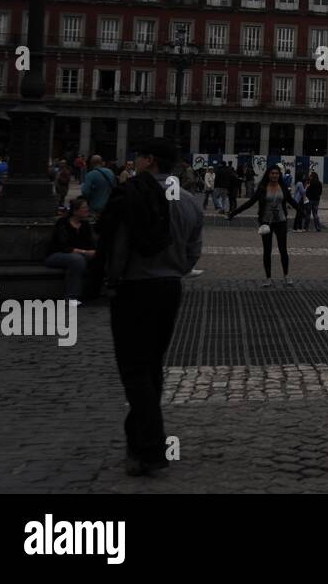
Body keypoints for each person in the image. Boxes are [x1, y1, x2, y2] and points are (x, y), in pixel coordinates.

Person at [97, 136, 202, 477]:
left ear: (151, 161)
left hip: (133, 289)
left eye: (139, 157)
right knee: (151, 366)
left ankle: (153, 447)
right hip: (169, 289)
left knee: (133, 369)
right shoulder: (189, 202)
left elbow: (113, 245)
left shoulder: (132, 195)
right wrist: (174, 270)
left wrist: (109, 281)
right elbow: (191, 255)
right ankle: (137, 445)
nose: (136, 162)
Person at [230, 165, 301, 286]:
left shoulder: (283, 187)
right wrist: (234, 213)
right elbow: (250, 202)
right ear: (268, 174)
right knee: (267, 251)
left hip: (281, 222)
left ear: (279, 175)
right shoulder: (263, 187)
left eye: (277, 173)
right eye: (272, 173)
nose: (274, 176)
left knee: (283, 250)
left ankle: (286, 275)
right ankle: (268, 278)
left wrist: (302, 211)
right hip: (266, 223)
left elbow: (291, 201)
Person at [46, 196, 95, 304]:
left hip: (80, 255)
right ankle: (71, 297)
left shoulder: (85, 225)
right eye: (84, 207)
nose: (87, 209)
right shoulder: (63, 223)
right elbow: (63, 246)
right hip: (57, 255)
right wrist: (83, 252)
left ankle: (94, 291)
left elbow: (90, 245)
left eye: (87, 207)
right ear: (75, 211)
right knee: (76, 260)